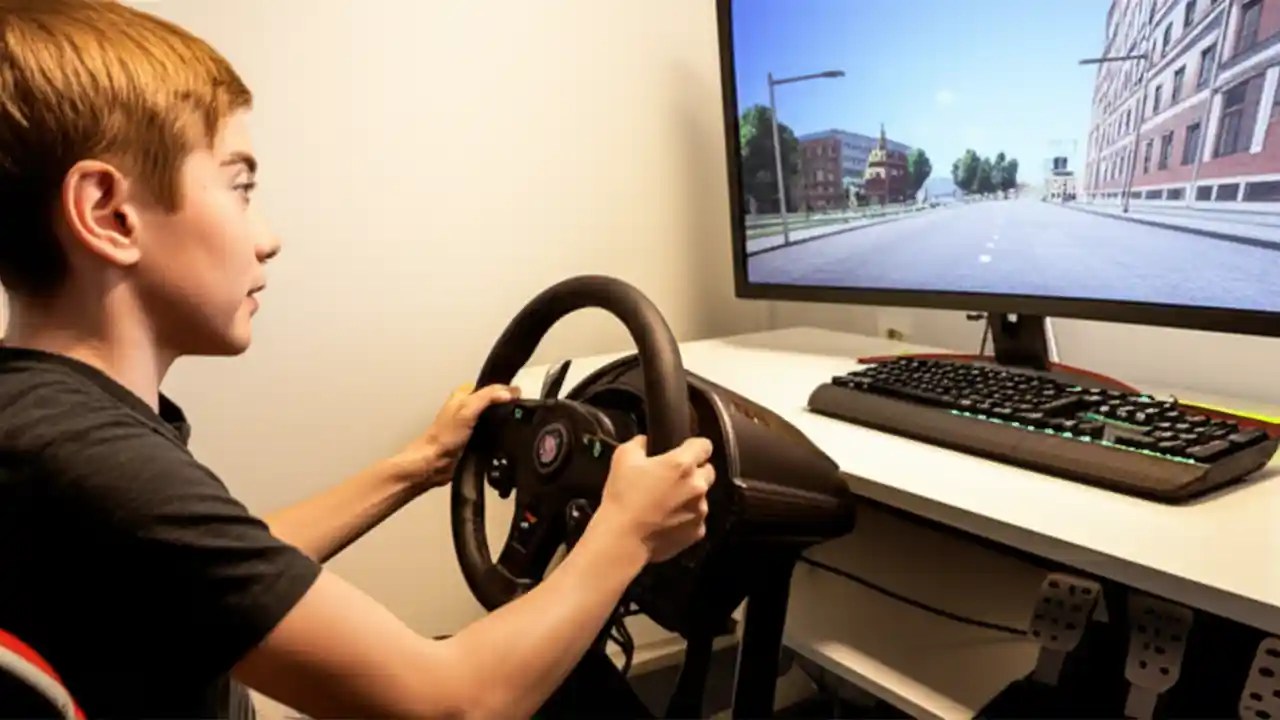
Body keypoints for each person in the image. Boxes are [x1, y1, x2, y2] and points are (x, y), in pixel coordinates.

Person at [0, 1, 716, 718]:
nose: (268, 237)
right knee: (575, 693)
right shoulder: (88, 459)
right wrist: (628, 529)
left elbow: (212, 565)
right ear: (107, 213)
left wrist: (416, 466)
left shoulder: (45, 423)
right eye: (240, 186)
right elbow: (454, 705)